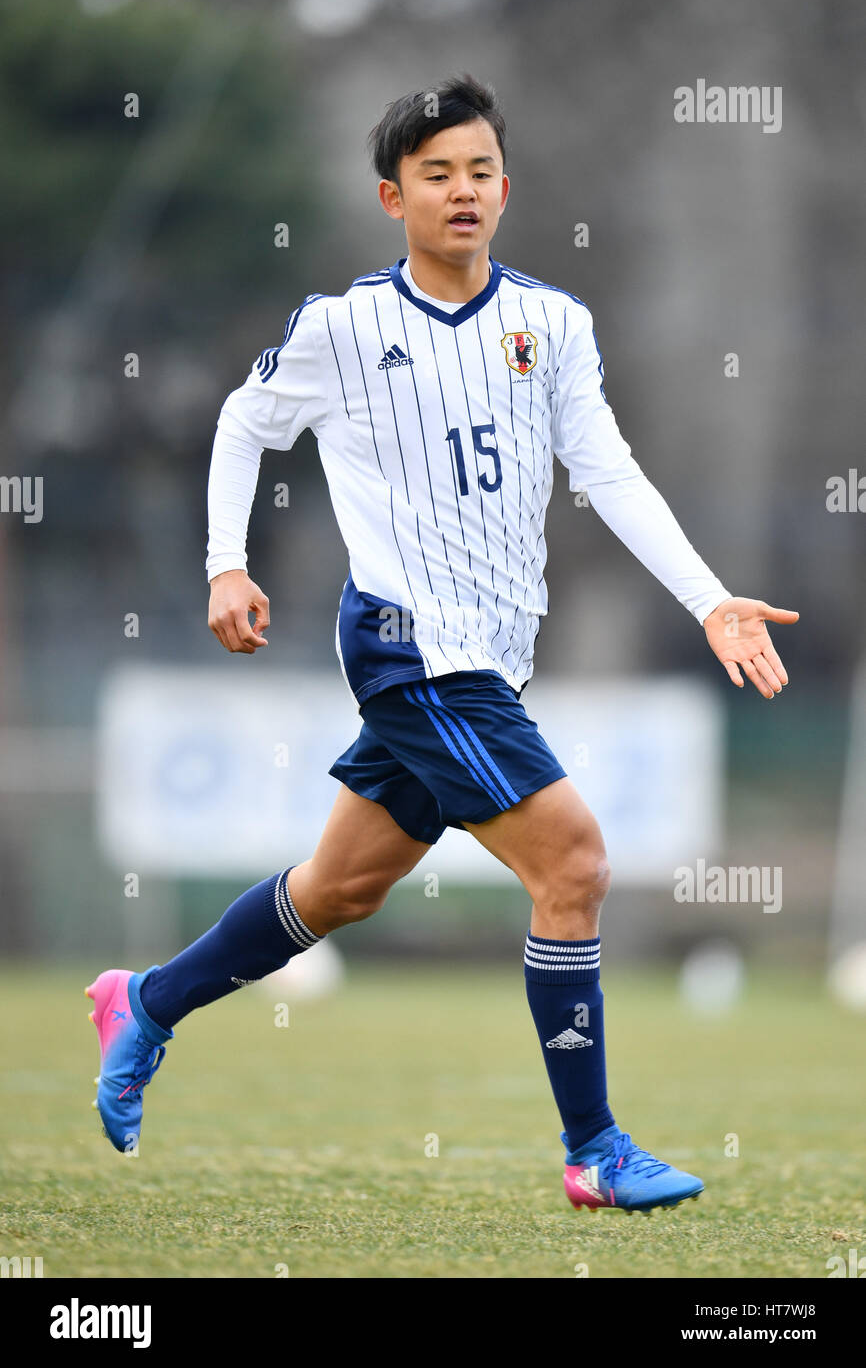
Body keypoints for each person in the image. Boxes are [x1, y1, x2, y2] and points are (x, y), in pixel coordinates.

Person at [86, 74, 798, 1213]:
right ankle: (593, 1148)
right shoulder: (343, 326)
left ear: (504, 189)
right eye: (434, 173)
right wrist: (228, 559)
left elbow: (604, 471)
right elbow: (240, 421)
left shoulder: (552, 326)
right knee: (573, 862)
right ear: (391, 195)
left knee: (339, 888)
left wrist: (710, 597)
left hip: (491, 653)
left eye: (477, 171)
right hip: (408, 648)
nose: (460, 191)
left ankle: (148, 1000)